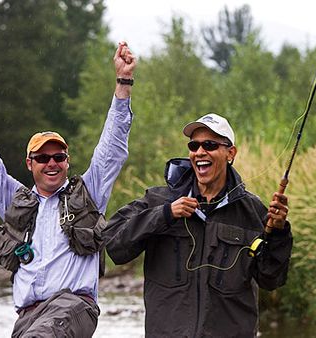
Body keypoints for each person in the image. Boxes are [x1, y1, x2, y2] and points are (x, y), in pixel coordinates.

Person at [0, 42, 136, 338]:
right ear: (30, 164)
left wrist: (124, 82)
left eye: (58, 157)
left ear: (67, 161)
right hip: (28, 317)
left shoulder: (89, 194)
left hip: (74, 308)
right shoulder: (14, 201)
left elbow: (112, 149)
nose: (51, 163)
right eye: (42, 158)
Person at [103, 113, 293, 337]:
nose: (200, 152)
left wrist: (279, 232)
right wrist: (165, 214)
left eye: (210, 145)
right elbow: (114, 244)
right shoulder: (159, 201)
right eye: (194, 146)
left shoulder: (253, 212)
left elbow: (271, 279)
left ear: (230, 153)